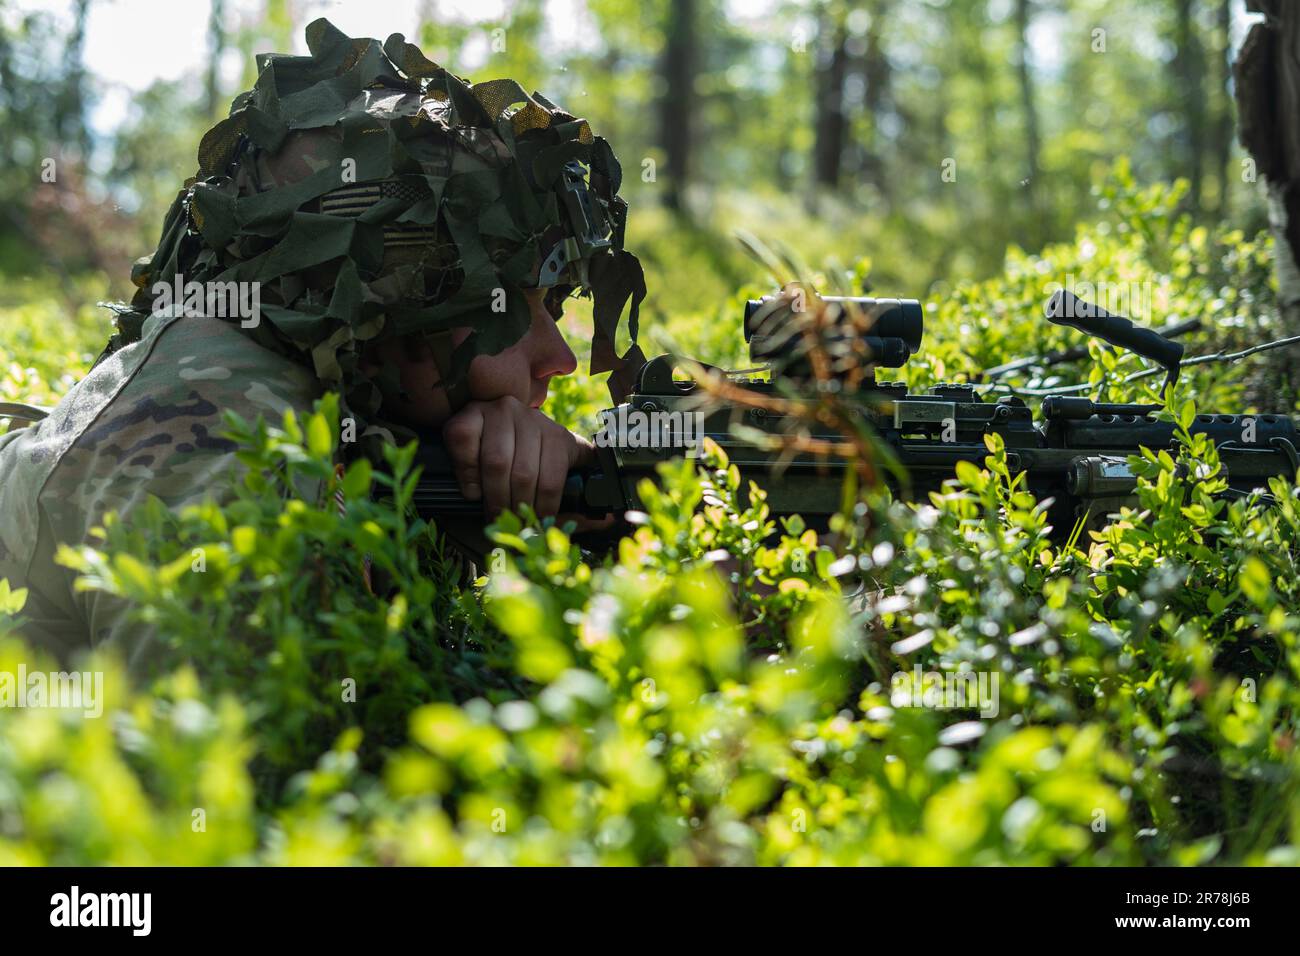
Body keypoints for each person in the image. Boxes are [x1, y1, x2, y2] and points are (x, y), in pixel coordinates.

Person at [0, 18, 646, 669]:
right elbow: (241, 756)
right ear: (390, 306)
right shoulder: (219, 440)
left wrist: (555, 503)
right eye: (509, 304)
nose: (560, 358)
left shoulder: (348, 410)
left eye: (556, 305)